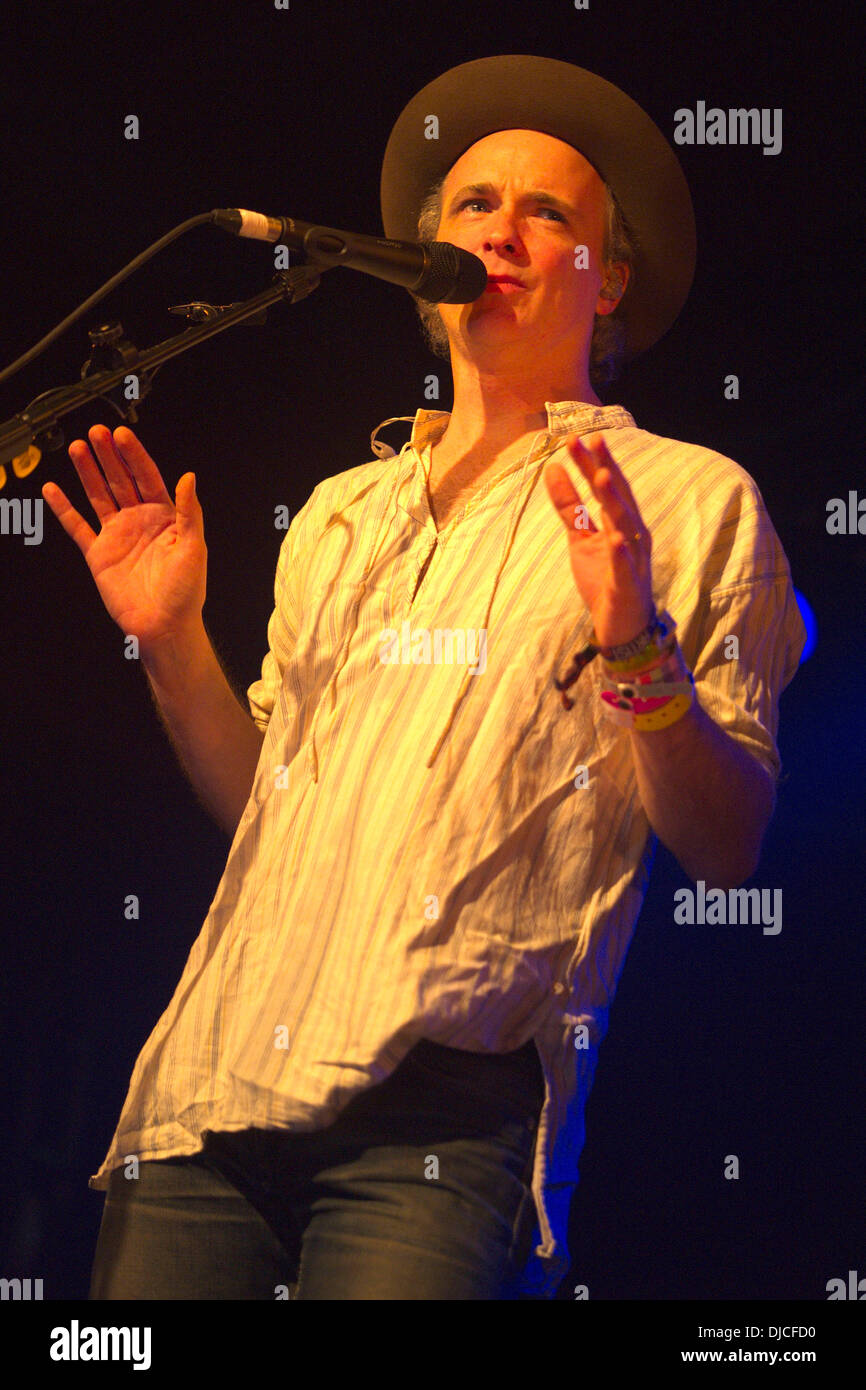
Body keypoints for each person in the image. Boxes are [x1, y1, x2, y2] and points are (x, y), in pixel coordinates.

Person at [41, 55, 805, 1300]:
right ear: (420, 261)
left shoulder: (684, 498)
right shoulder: (341, 513)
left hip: (443, 1126)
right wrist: (172, 638)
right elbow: (258, 813)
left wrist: (636, 644)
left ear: (605, 278)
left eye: (546, 213)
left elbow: (727, 841)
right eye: (472, 206)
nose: (499, 232)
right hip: (209, 1096)